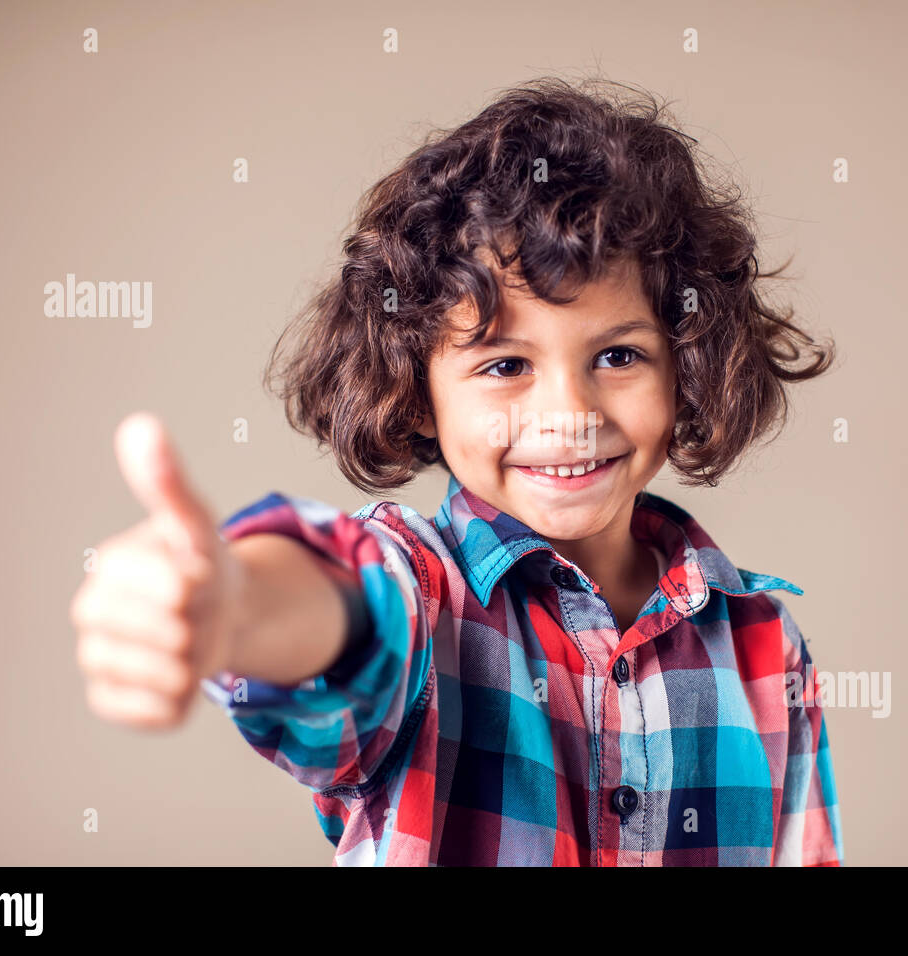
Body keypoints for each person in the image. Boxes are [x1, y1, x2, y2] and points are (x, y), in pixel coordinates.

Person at [69, 76, 842, 866]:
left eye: (618, 355)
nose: (570, 413)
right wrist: (233, 605)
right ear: (417, 390)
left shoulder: (764, 645)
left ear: (686, 364)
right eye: (506, 364)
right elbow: (338, 609)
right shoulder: (422, 598)